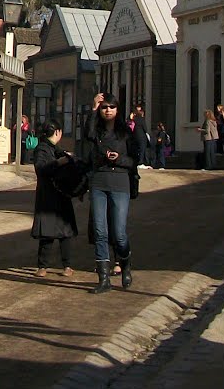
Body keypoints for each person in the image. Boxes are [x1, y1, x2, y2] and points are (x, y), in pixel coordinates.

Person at [86, 99, 141, 292]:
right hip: (99, 182)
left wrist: (120, 159)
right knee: (100, 232)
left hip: (120, 183)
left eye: (111, 107)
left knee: (119, 233)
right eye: (104, 108)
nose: (107, 110)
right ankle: (103, 279)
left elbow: (136, 159)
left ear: (118, 109)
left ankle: (125, 263)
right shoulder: (97, 132)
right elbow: (88, 133)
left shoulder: (126, 133)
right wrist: (93, 109)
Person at [29, 121, 82, 277]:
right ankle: (55, 266)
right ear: (58, 132)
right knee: (56, 231)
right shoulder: (44, 149)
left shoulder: (54, 149)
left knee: (56, 231)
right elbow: (41, 169)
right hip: (52, 194)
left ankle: (47, 267)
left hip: (55, 194)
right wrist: (58, 163)